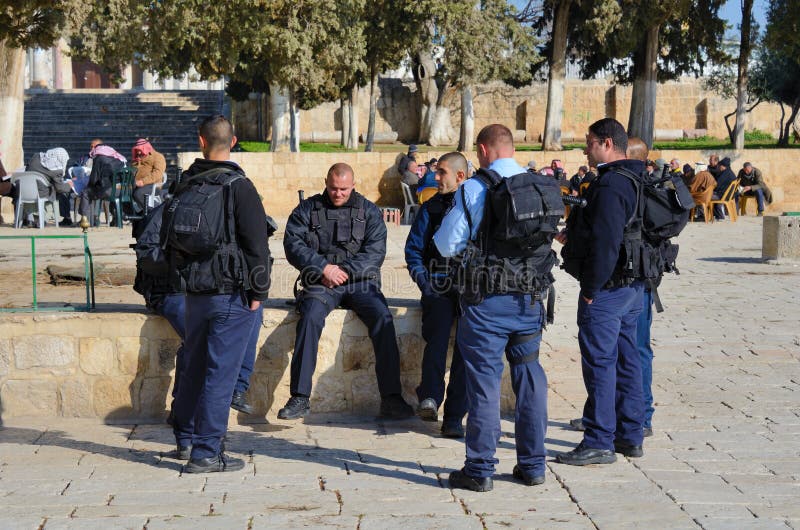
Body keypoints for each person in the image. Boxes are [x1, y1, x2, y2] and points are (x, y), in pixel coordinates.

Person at [434, 124, 561, 491]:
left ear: (483, 150)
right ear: (511, 148)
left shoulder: (474, 188)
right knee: (530, 377)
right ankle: (533, 465)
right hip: (529, 300)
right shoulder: (540, 185)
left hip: (487, 302)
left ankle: (480, 469)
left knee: (485, 384)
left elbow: (446, 245)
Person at [165, 115, 271, 473]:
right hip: (231, 293)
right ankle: (207, 452)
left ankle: (184, 438)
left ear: (201, 141)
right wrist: (259, 290)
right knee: (221, 375)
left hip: (194, 293)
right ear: (234, 141)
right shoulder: (240, 186)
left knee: (194, 366)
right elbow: (257, 246)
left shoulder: (186, 183)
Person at [279, 162, 413, 420]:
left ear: (353, 185)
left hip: (360, 282)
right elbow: (293, 244)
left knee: (383, 318)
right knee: (310, 317)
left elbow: (375, 252)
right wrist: (323, 268)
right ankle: (300, 397)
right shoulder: (307, 209)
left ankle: (391, 398)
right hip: (321, 282)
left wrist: (343, 272)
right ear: (326, 183)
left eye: (343, 189)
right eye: (333, 188)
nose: (337, 193)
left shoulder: (369, 211)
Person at [558, 118, 645, 466]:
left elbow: (607, 243)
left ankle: (599, 440)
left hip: (608, 289)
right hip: (633, 286)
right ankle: (630, 434)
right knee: (627, 360)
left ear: (607, 143)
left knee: (600, 365)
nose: (585, 149)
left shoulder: (610, 185)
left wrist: (591, 288)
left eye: (590, 142)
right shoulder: (636, 176)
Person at [404, 152, 468, 438]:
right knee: (437, 338)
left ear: (460, 176)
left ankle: (454, 417)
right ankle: (429, 397)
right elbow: (413, 251)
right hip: (438, 285)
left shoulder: (476, 206)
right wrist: (425, 283)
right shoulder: (430, 208)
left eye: (442, 172)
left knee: (466, 348)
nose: (435, 177)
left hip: (469, 287)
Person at [77, 139, 127, 225]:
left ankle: (85, 219)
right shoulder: (118, 159)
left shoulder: (99, 159)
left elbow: (93, 180)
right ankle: (117, 218)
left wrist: (89, 186)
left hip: (106, 191)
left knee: (86, 192)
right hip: (121, 191)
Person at [25, 147, 75, 225]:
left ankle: (28, 218)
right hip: (41, 194)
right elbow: (60, 188)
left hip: (25, 191)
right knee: (62, 192)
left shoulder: (36, 156)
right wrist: (70, 185)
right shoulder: (56, 169)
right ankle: (48, 217)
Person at [131, 138, 167, 212]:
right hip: (135, 184)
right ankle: (133, 214)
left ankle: (153, 212)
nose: (139, 152)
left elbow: (158, 173)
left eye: (140, 150)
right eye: (137, 150)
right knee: (122, 193)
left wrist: (143, 181)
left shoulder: (157, 157)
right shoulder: (137, 158)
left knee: (138, 193)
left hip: (152, 185)